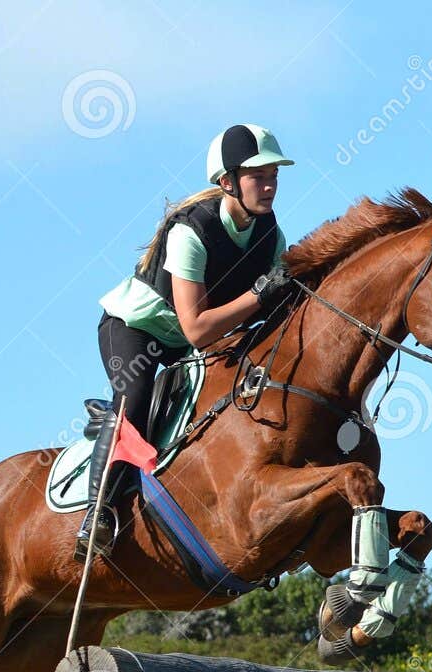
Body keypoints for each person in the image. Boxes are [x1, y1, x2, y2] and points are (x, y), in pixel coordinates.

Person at [76, 123, 298, 561]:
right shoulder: (190, 231)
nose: (270, 184)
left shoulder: (271, 236)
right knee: (136, 396)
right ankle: (97, 511)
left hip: (194, 343)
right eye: (258, 175)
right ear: (227, 181)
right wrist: (257, 296)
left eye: (274, 174)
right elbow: (196, 327)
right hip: (139, 331)